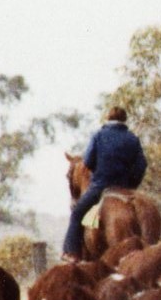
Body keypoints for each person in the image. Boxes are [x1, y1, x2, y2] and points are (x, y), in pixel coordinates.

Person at [63, 106, 147, 260]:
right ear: (124, 120)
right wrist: (132, 185)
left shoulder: (98, 136)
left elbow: (87, 161)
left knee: (76, 213)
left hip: (101, 186)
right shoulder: (133, 139)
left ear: (108, 119)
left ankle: (72, 252)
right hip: (125, 187)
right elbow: (141, 166)